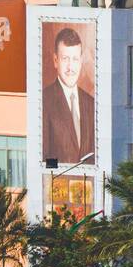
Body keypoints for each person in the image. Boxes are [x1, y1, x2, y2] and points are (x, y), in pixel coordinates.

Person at [42, 27, 94, 166]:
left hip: (88, 184)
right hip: (58, 184)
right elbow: (44, 154)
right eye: (65, 59)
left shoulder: (91, 103)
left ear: (81, 60)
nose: (71, 67)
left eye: (75, 59)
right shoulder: (44, 101)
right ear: (55, 60)